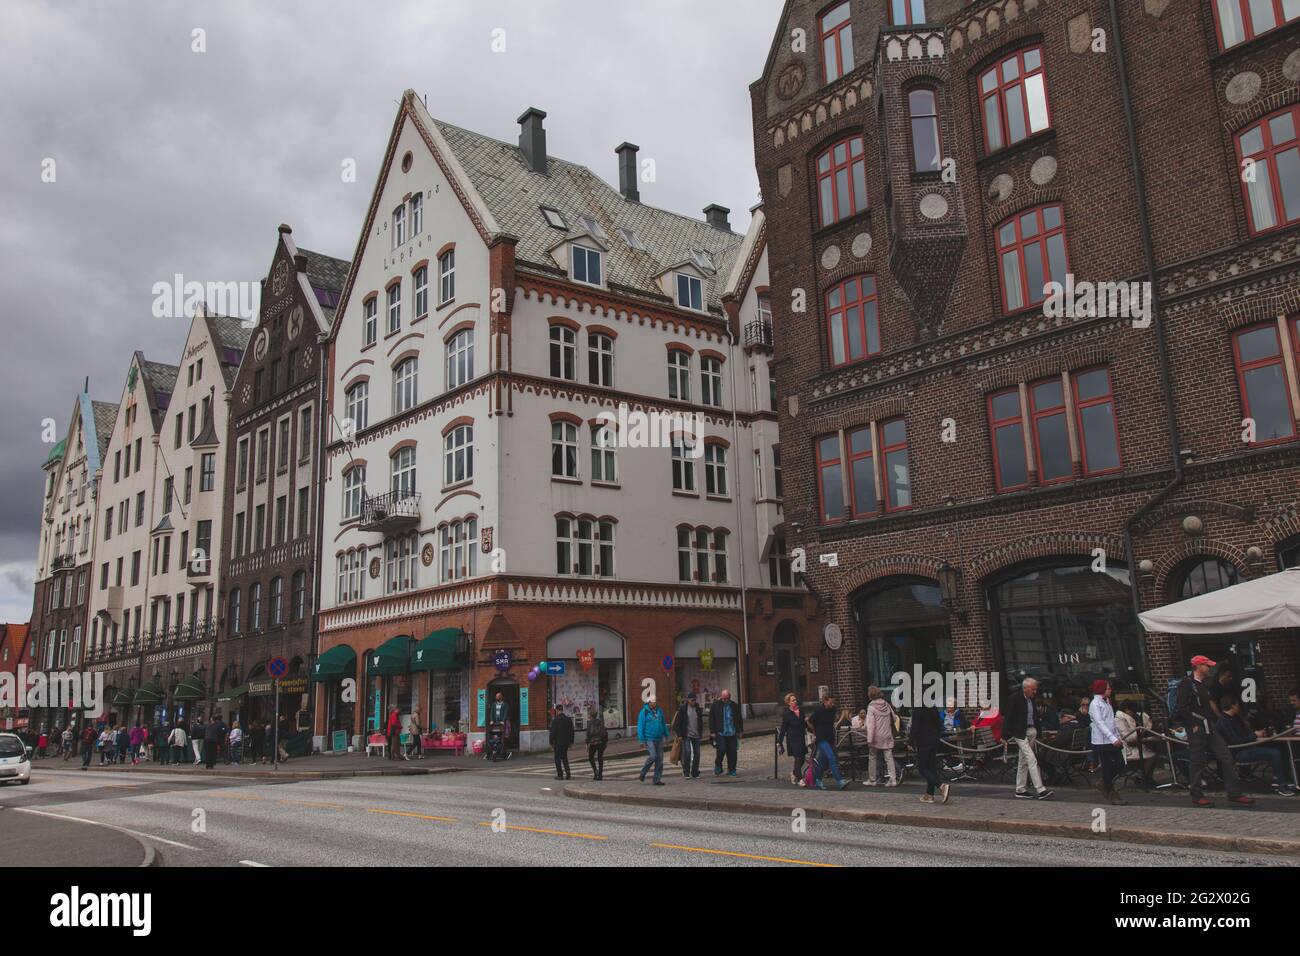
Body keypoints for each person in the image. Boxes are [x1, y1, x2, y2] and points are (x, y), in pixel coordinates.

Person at [1175, 654, 1254, 807]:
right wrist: (1193, 723)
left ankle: (1233, 793)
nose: (1209, 668)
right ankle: (1197, 795)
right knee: (1197, 761)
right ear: (1198, 666)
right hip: (1197, 727)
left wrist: (1213, 720)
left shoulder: (1204, 684)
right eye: (1207, 666)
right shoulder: (1186, 684)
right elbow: (1182, 707)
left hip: (1209, 726)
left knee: (1226, 757)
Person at [1216, 700, 1295, 796]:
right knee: (1275, 753)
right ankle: (1281, 785)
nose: (1239, 707)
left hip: (1246, 746)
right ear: (1233, 706)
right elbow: (1235, 740)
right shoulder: (1223, 721)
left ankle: (1281, 778)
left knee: (1280, 746)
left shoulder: (1235, 718)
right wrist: (1254, 735)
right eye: (1237, 705)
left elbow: (1244, 735)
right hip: (1238, 751)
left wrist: (1256, 733)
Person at [1003, 677, 1054, 800]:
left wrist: (1038, 733)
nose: (1035, 692)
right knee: (1031, 759)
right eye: (1033, 689)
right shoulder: (1014, 698)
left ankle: (1020, 789)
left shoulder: (1031, 699)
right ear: (1025, 688)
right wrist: (1004, 735)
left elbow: (1034, 716)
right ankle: (1040, 789)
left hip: (1031, 730)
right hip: (1020, 732)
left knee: (1024, 761)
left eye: (1035, 689)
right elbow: (1008, 717)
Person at [1088, 680, 1127, 805]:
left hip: (1111, 739)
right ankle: (1110, 792)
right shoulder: (1095, 704)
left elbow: (1111, 721)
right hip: (1101, 741)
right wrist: (1112, 738)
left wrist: (1116, 736)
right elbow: (1100, 723)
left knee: (1120, 763)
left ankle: (1104, 782)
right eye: (1108, 688)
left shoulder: (1107, 702)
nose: (1110, 690)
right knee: (1107, 767)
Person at [804, 693, 849, 790]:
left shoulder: (833, 709)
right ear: (825, 701)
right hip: (822, 739)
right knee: (831, 758)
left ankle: (817, 780)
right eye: (830, 702)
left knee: (822, 761)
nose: (832, 704)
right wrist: (815, 731)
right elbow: (809, 722)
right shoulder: (818, 711)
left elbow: (833, 720)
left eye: (833, 702)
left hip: (830, 738)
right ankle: (840, 781)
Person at [911, 703, 950, 804]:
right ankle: (929, 795)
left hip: (923, 740)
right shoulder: (933, 706)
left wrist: (910, 741)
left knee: (922, 768)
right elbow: (938, 724)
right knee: (931, 768)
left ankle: (941, 786)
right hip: (934, 740)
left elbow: (915, 726)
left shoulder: (918, 707)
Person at [1115, 701, 1156, 789]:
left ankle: (1145, 777)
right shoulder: (1120, 720)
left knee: (1153, 753)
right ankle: (1143, 777)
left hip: (1133, 745)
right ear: (1127, 710)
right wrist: (1141, 731)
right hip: (1127, 748)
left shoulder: (1128, 718)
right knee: (1151, 756)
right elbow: (1129, 738)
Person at [864, 686, 899, 787]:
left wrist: (869, 739)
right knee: (889, 757)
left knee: (872, 757)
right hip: (887, 734)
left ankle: (872, 779)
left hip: (876, 736)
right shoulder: (886, 704)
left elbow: (871, 725)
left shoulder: (871, 707)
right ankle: (893, 780)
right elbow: (895, 717)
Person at [709, 688, 744, 777]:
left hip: (732, 732)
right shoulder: (716, 705)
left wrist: (740, 731)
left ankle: (732, 769)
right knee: (722, 749)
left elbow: (739, 719)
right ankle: (718, 765)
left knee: (732, 752)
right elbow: (711, 718)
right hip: (721, 732)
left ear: (729, 697)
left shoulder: (734, 706)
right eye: (723, 698)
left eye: (726, 698)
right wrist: (712, 731)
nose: (725, 700)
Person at [776, 693, 808, 785]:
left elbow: (804, 725)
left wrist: (808, 722)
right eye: (793, 700)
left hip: (801, 738)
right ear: (789, 703)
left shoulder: (801, 712)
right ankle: (800, 779)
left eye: (795, 700)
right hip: (792, 739)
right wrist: (779, 742)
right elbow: (783, 729)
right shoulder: (787, 715)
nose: (795, 701)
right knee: (798, 758)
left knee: (802, 759)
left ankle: (794, 773)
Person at [637, 695, 669, 785]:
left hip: (659, 738)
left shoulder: (659, 711)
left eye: (655, 701)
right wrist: (641, 740)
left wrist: (666, 735)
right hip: (649, 738)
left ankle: (657, 779)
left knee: (660, 759)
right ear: (649, 702)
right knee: (653, 756)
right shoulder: (644, 712)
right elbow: (640, 726)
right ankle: (643, 773)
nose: (655, 703)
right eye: (653, 702)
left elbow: (663, 723)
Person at [672, 692, 705, 779]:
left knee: (697, 753)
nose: (694, 701)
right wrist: (680, 734)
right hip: (686, 734)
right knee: (687, 752)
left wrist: (700, 732)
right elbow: (677, 724)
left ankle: (694, 772)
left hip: (696, 734)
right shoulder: (683, 709)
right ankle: (686, 772)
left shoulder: (698, 708)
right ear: (688, 700)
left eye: (695, 700)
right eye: (692, 700)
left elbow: (700, 722)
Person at [549, 704, 574, 780]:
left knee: (557, 758)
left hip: (558, 743)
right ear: (562, 710)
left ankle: (560, 774)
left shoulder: (555, 720)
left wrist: (551, 743)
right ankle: (568, 772)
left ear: (556, 710)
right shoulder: (568, 719)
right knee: (564, 757)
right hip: (566, 742)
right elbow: (572, 732)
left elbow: (552, 732)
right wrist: (571, 742)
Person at [586, 708, 608, 780]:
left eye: (589, 714)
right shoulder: (600, 722)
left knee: (590, 757)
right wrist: (605, 742)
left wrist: (587, 744)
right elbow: (605, 732)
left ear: (590, 715)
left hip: (593, 742)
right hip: (601, 742)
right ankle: (600, 775)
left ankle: (596, 771)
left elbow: (588, 734)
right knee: (600, 758)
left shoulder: (589, 723)